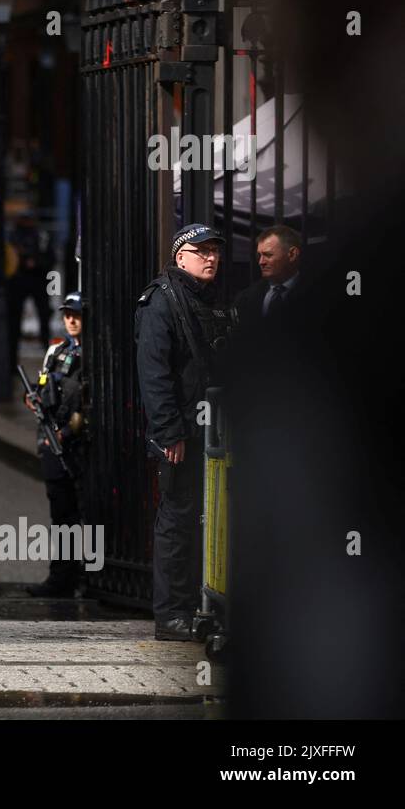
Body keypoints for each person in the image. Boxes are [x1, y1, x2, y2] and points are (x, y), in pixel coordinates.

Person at [134, 223, 233, 641]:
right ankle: (171, 615)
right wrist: (169, 433)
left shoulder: (209, 298)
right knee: (177, 521)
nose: (211, 257)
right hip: (183, 436)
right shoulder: (162, 301)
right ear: (180, 258)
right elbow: (154, 373)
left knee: (213, 519)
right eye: (201, 251)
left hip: (216, 433)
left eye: (215, 250)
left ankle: (203, 605)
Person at [24, 292, 88, 597]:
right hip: (53, 441)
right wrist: (33, 400)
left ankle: (87, 576)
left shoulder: (95, 354)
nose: (72, 320)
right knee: (61, 513)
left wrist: (69, 429)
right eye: (67, 315)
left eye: (76, 315)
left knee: (86, 513)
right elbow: (41, 388)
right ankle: (62, 577)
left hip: (82, 444)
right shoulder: (56, 353)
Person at [234, 224, 303, 325]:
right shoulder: (245, 298)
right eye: (259, 255)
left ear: (292, 254)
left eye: (268, 255)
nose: (261, 262)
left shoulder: (319, 296)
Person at [7, 212, 53, 357]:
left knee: (43, 316)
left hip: (37, 280)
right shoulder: (14, 236)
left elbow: (50, 258)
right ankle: (13, 356)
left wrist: (36, 263)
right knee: (15, 319)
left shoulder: (40, 236)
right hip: (20, 281)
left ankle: (47, 349)